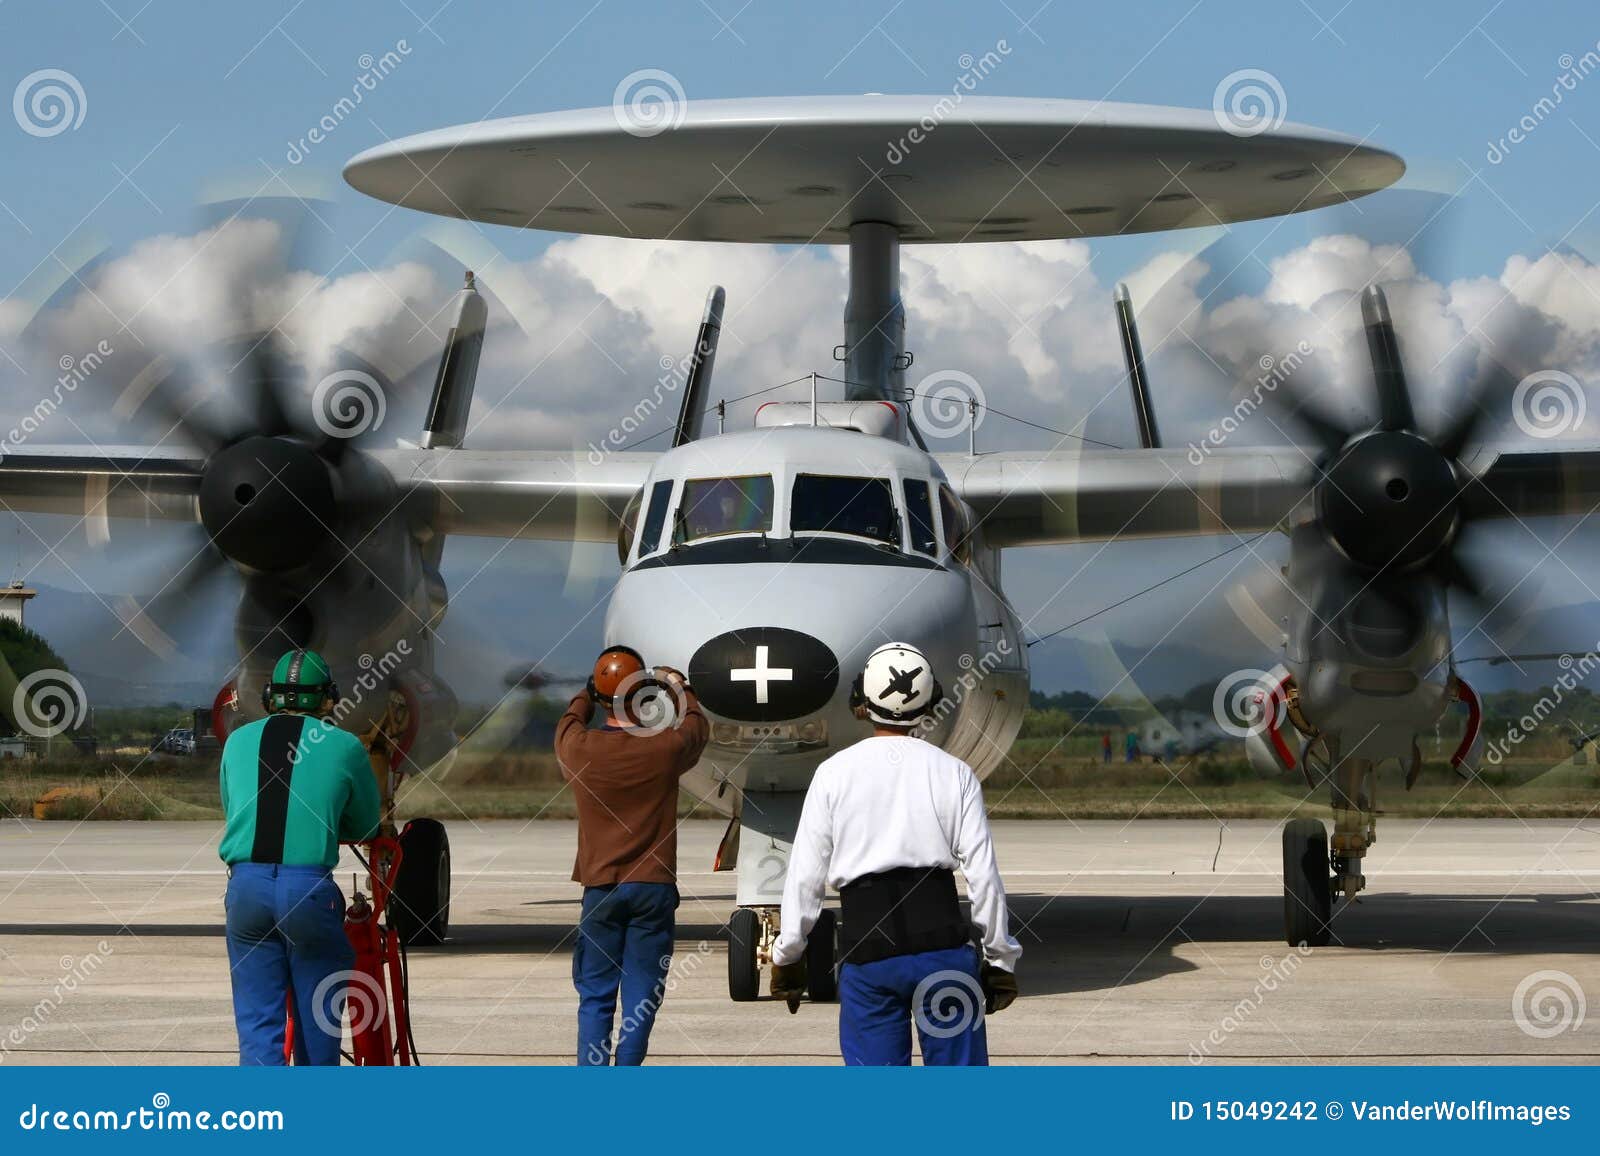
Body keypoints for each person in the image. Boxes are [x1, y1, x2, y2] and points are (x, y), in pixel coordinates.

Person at [770, 641, 1021, 1066]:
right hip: (943, 953)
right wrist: (1000, 958)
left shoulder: (832, 774)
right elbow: (983, 877)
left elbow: (805, 877)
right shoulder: (956, 773)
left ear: (861, 701)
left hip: (869, 956)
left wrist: (789, 954)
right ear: (931, 702)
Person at [218, 649, 380, 1066]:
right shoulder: (344, 746)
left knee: (257, 1025)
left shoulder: (237, 741)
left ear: (271, 696)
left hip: (246, 890)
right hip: (306, 891)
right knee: (317, 1022)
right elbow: (365, 827)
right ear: (328, 698)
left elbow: (234, 809)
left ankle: (264, 1121)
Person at [555, 645, 709, 1065]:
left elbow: (569, 721)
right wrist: (679, 687)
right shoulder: (664, 749)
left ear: (599, 696)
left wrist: (587, 692)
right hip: (653, 888)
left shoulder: (579, 747)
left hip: (600, 886)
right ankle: (628, 1066)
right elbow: (696, 727)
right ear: (640, 693)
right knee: (643, 990)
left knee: (595, 993)